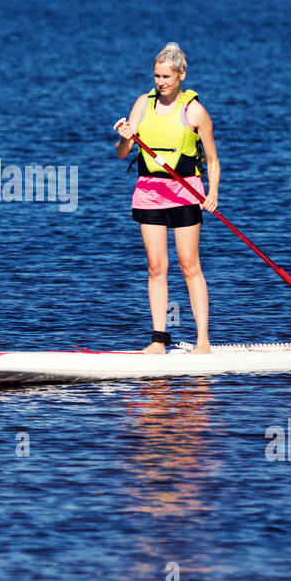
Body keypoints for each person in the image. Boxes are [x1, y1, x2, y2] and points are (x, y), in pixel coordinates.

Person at [114, 42, 218, 354]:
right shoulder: (142, 104)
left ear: (181, 75)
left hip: (186, 193)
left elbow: (212, 160)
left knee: (190, 266)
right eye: (157, 76)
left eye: (167, 77)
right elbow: (121, 155)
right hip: (148, 194)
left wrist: (213, 193)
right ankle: (159, 340)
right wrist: (125, 139)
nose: (160, 82)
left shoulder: (194, 110)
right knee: (156, 267)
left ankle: (203, 343)